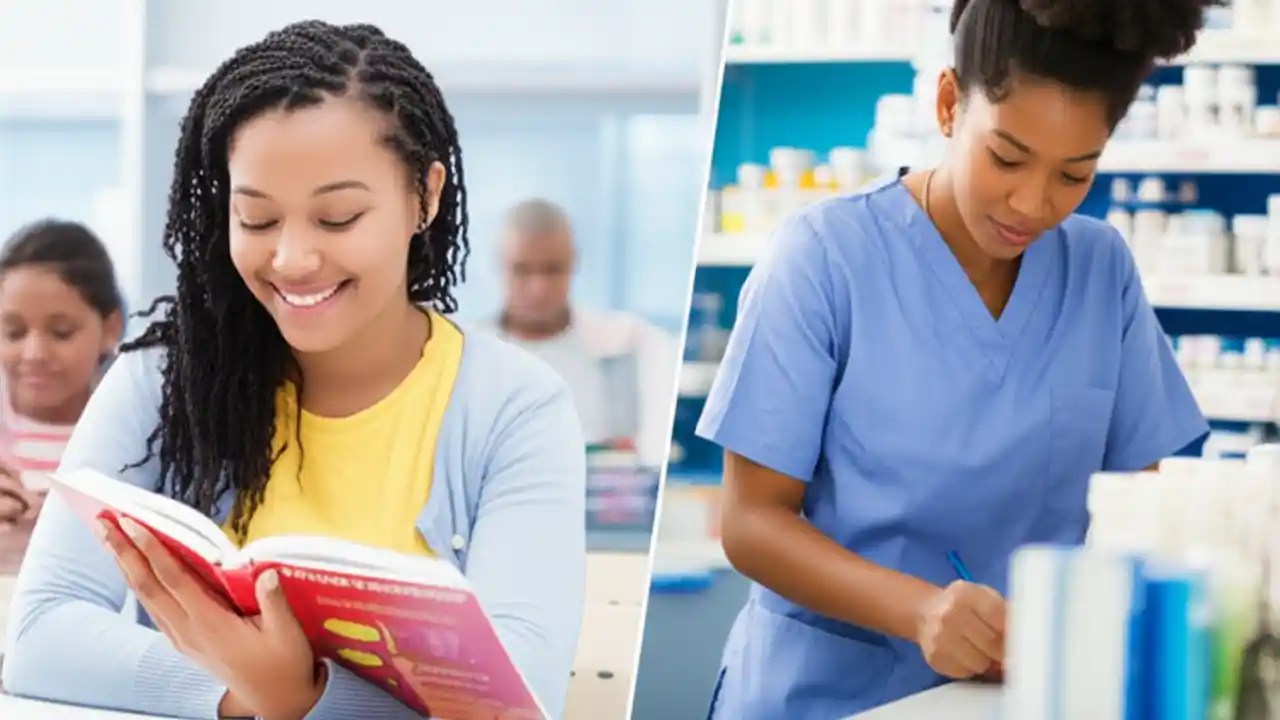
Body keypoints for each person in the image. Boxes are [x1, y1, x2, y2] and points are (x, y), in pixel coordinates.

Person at [2, 21, 585, 720]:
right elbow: (42, 636)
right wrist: (239, 693)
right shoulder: (162, 381)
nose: (293, 259)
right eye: (256, 219)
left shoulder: (516, 409)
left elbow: (516, 701)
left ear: (424, 196)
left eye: (338, 218)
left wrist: (302, 696)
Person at [698, 1, 1215, 717]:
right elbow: (751, 523)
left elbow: (1144, 500)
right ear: (948, 104)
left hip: (1016, 698)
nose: (1032, 204)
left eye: (1075, 175)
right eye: (1006, 157)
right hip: (822, 699)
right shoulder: (823, 258)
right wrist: (920, 612)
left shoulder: (1101, 271)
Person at [486, 199, 678, 468]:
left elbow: (655, 453)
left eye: (553, 269)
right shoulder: (463, 355)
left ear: (574, 262)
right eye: (522, 270)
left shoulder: (625, 345)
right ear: (500, 265)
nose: (538, 287)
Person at [0, 220, 124, 567]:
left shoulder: (131, 429)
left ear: (110, 328)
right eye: (13, 332)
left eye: (61, 332)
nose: (34, 353)